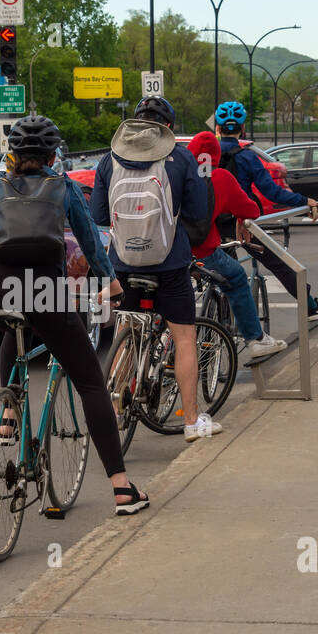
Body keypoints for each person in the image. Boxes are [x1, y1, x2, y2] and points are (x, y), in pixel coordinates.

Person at [0, 114, 153, 515]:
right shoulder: (64, 186)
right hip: (42, 287)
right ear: (55, 154)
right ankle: (122, 489)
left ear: (12, 154)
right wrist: (113, 282)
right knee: (90, 380)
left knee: (13, 326)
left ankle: (8, 414)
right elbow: (89, 239)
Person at [90, 96, 223, 443]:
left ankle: (116, 408)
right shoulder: (181, 158)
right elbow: (196, 214)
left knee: (127, 331)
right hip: (170, 263)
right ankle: (192, 421)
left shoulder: (109, 159)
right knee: (184, 338)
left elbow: (99, 216)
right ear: (169, 127)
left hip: (123, 262)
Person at [214, 101, 318, 320]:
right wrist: (305, 201)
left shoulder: (206, 155)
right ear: (243, 129)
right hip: (243, 224)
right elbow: (272, 193)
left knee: (208, 270)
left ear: (217, 129)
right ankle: (310, 307)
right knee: (281, 265)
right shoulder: (248, 157)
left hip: (210, 224)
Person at [186, 131, 288, 360]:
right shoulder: (221, 177)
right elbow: (251, 209)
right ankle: (256, 339)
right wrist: (239, 217)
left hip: (173, 253)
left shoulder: (178, 174)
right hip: (205, 252)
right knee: (237, 278)